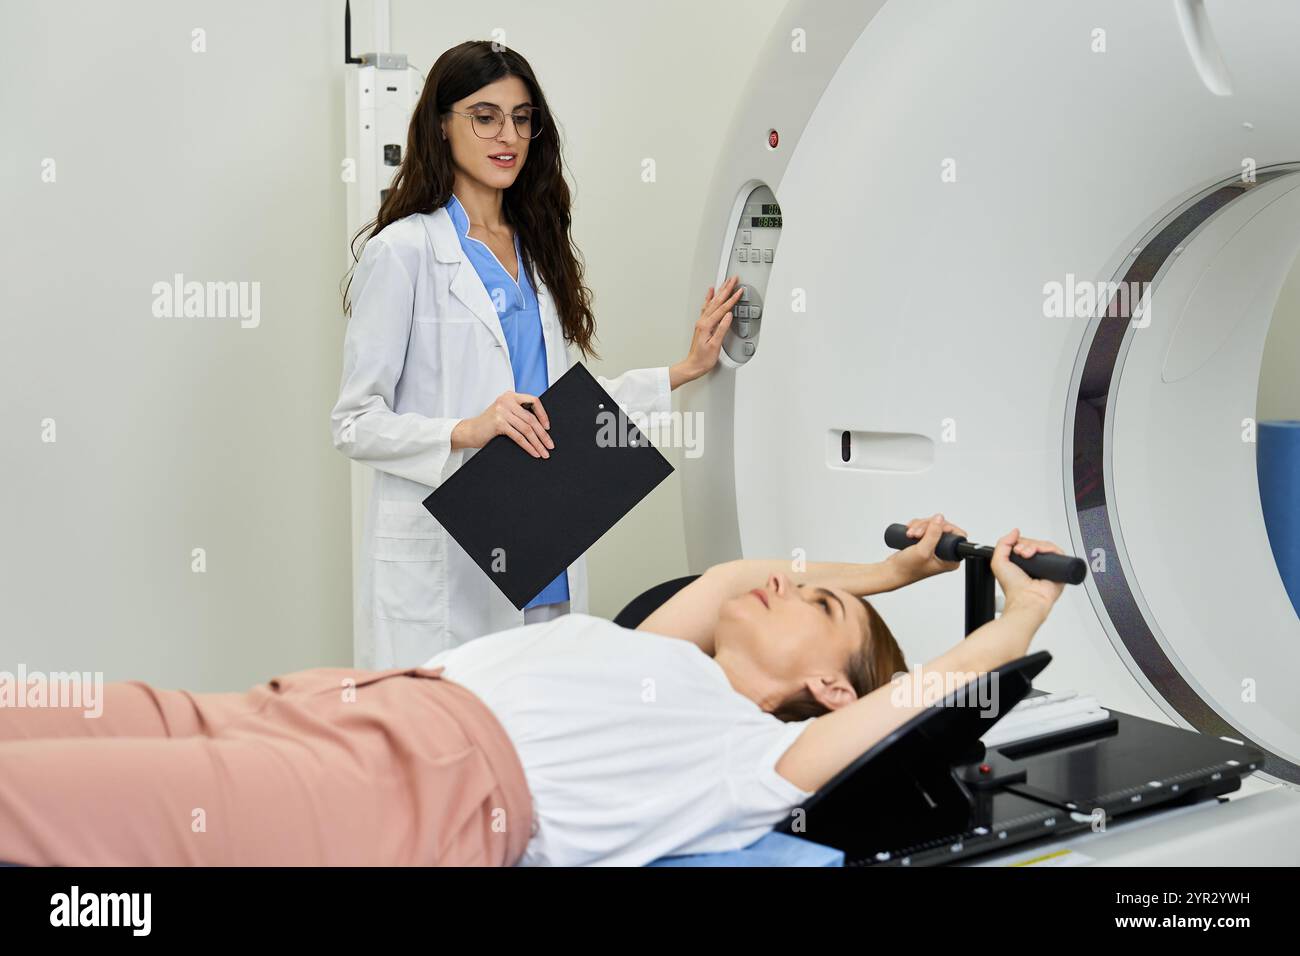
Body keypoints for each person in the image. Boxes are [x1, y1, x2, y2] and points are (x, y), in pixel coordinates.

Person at [0, 516, 1067, 867]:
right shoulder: (656, 650)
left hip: (407, 788)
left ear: (829, 685)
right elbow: (739, 578)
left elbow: (912, 694)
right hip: (336, 701)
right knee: (54, 712)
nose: (790, 578)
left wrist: (1007, 623)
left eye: (820, 605)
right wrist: (885, 574)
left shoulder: (741, 762)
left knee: (59, 802)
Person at [331, 39, 740, 668]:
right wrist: (468, 430)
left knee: (537, 738)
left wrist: (684, 369)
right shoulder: (405, 252)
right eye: (485, 115)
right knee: (451, 743)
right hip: (447, 565)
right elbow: (355, 423)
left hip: (542, 544)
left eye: (522, 119)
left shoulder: (536, 251)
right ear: (441, 126)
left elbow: (562, 409)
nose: (508, 135)